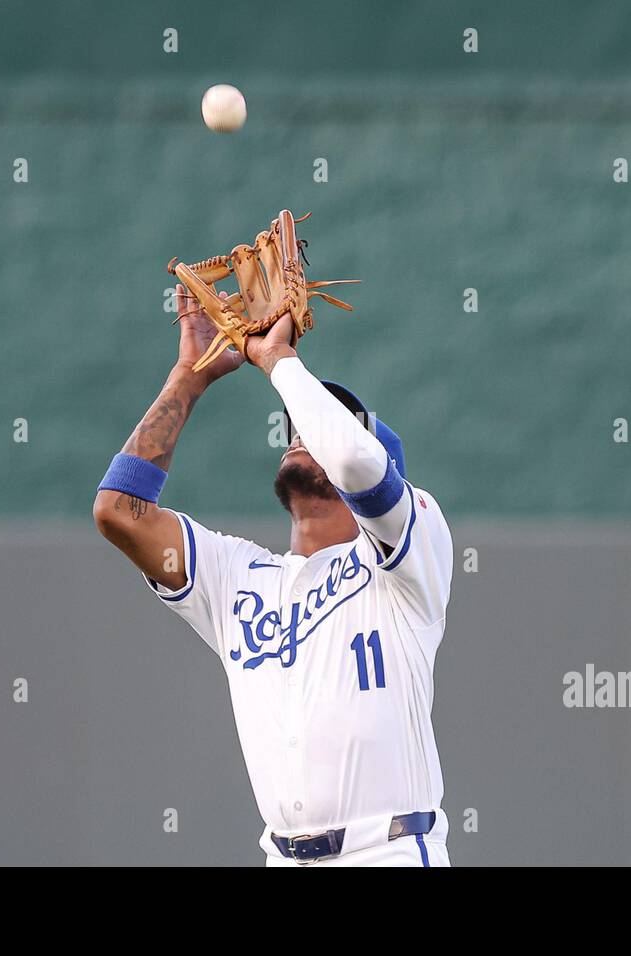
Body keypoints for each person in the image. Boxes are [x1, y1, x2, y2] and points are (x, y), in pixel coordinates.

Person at [93, 284, 454, 866]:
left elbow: (359, 465)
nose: (302, 432)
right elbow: (118, 513)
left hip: (387, 851)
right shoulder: (237, 577)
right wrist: (191, 375)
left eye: (327, 424)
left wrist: (279, 360)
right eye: (297, 426)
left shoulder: (412, 556)